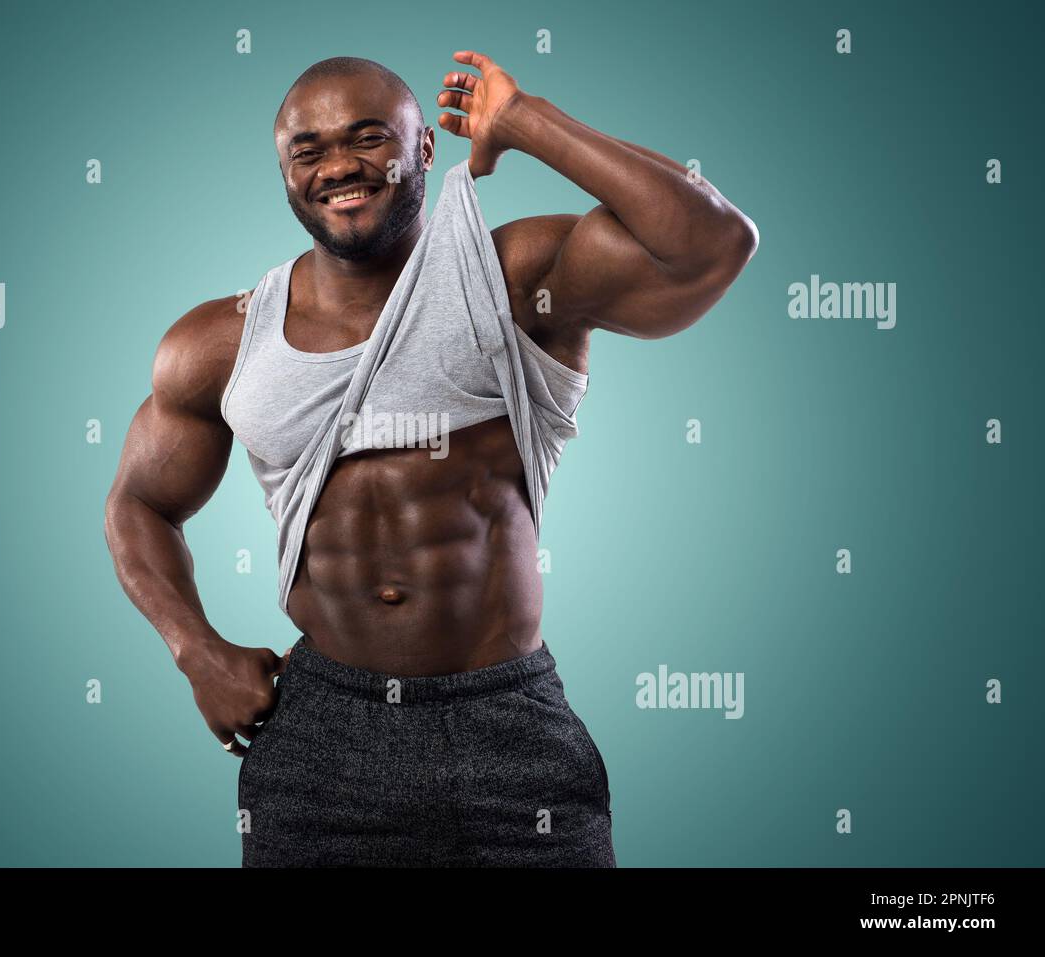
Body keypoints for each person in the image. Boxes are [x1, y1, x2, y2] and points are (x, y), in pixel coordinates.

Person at [104, 51, 758, 866]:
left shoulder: (517, 282)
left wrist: (526, 122)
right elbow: (138, 503)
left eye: (369, 138)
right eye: (308, 151)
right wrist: (195, 650)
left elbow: (709, 244)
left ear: (424, 151)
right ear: (283, 172)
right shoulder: (221, 343)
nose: (339, 165)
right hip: (321, 734)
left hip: (509, 726)